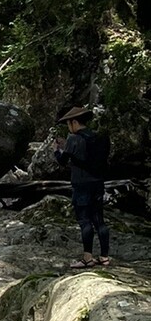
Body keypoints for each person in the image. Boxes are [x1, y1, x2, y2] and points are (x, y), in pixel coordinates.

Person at [53, 104, 111, 268]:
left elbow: (63, 161)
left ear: (73, 122)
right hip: (98, 183)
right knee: (99, 220)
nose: (68, 127)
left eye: (68, 124)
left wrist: (57, 150)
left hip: (81, 185)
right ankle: (105, 257)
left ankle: (87, 258)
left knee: (85, 221)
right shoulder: (96, 137)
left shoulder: (73, 139)